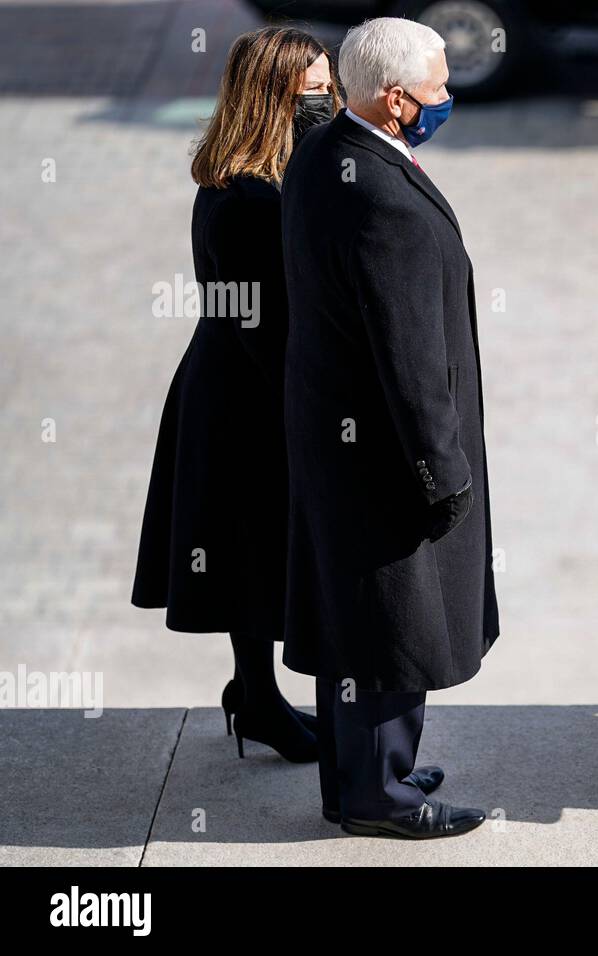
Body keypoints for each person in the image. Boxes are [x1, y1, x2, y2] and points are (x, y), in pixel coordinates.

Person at [280, 17, 499, 839]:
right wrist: (442, 472)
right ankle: (382, 796)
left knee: (357, 619)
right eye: (437, 87)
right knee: (393, 625)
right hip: (385, 454)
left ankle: (358, 778)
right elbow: (409, 359)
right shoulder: (382, 201)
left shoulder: (321, 156)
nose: (447, 97)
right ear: (396, 98)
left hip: (334, 440)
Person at [131, 27, 341, 763]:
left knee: (247, 547)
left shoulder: (241, 176)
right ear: (274, 94)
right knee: (253, 548)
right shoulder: (250, 198)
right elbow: (269, 324)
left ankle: (255, 696)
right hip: (245, 395)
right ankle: (260, 699)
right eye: (312, 87)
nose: (327, 96)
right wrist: (312, 408)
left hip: (231, 384)